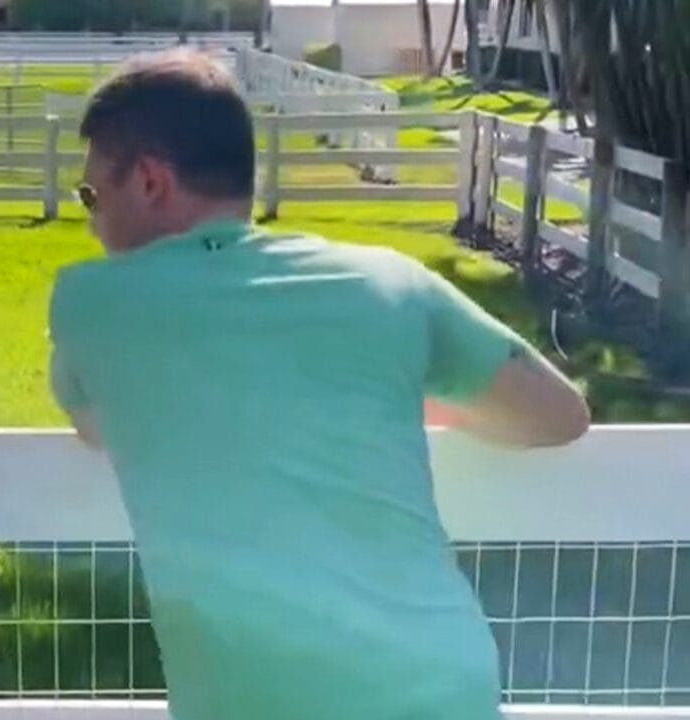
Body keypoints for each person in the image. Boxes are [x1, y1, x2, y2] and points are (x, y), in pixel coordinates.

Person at [47, 48, 590, 720]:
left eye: (92, 194)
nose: (91, 217)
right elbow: (558, 414)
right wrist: (412, 405)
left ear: (151, 181)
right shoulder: (389, 282)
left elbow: (98, 425)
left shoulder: (90, 306)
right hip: (442, 689)